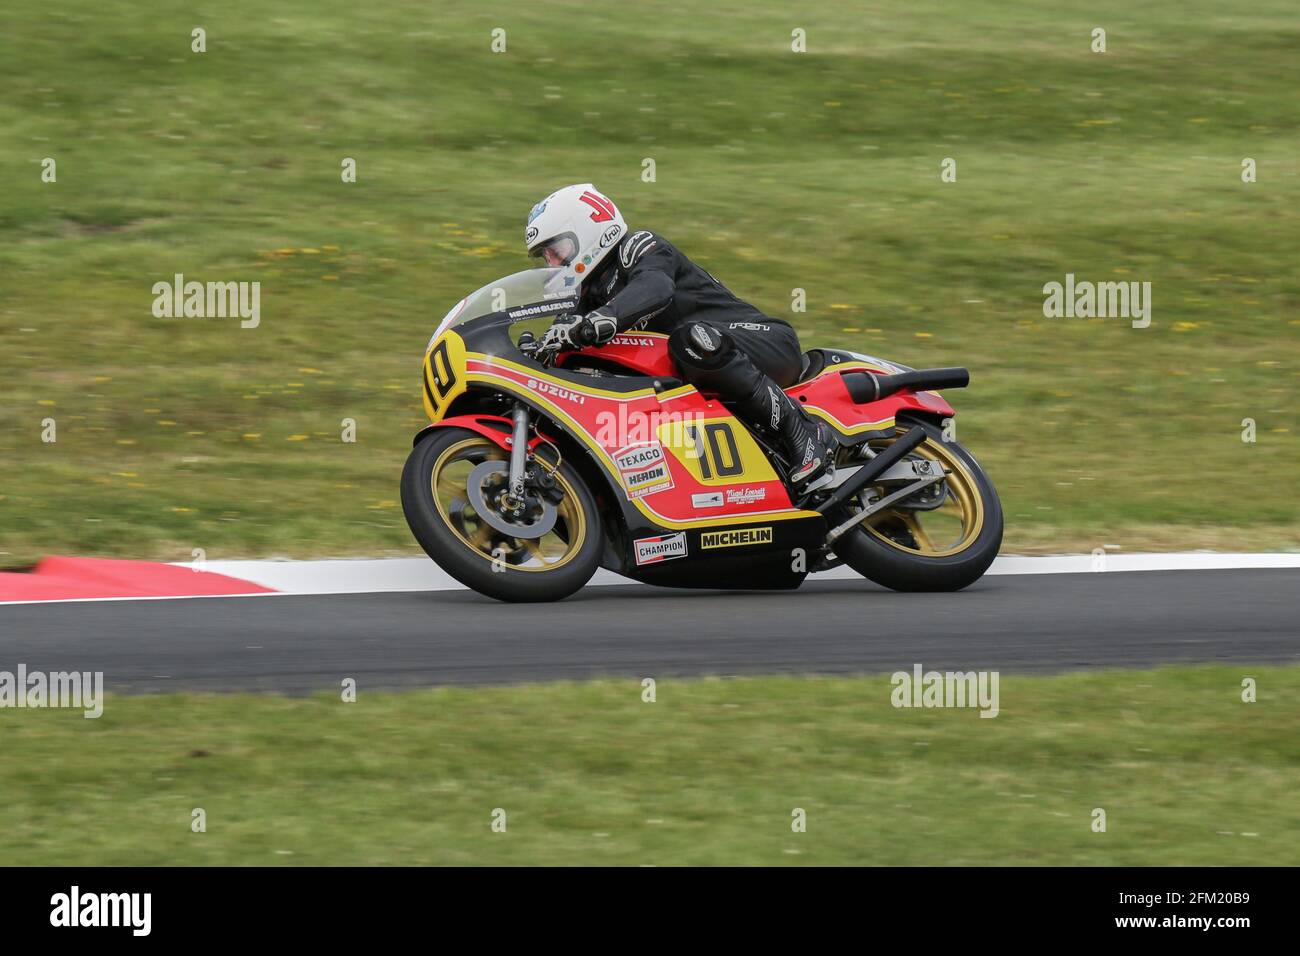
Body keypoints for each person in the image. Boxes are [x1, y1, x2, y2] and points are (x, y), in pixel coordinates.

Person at [526, 183, 834, 489]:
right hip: (710, 370)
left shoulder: (638, 248)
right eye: (546, 256)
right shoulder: (587, 296)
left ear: (589, 230)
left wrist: (600, 320)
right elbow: (564, 346)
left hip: (767, 341)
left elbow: (655, 288)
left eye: (557, 250)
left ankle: (804, 430)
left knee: (690, 339)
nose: (552, 263)